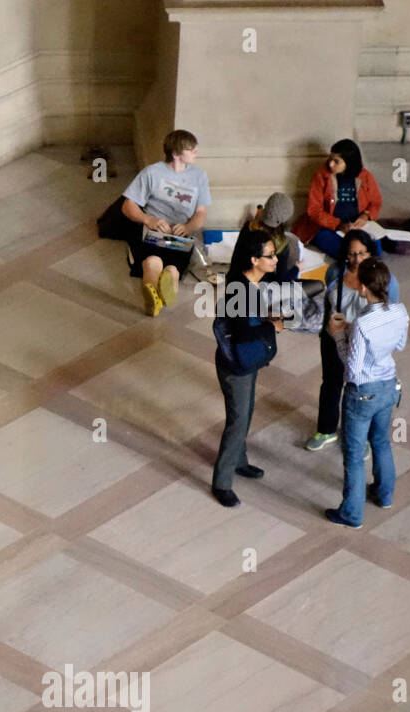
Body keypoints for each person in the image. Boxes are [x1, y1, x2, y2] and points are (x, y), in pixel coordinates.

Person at [325, 258, 408, 529]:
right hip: (388, 385)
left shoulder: (362, 323)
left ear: (362, 287)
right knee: (381, 442)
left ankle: (351, 513)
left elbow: (354, 369)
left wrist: (338, 335)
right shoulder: (400, 311)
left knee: (354, 453)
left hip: (362, 393)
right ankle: (384, 495)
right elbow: (400, 343)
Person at [304, 229, 400, 452]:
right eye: (352, 254)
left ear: (371, 253)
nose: (357, 260)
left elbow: (392, 313)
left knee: (362, 390)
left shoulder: (385, 279)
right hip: (333, 338)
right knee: (331, 383)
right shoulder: (336, 271)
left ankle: (362, 437)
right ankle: (326, 430)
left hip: (364, 344)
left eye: (362, 254)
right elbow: (329, 300)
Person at [211, 230, 285, 508]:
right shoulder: (242, 291)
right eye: (270, 256)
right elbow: (243, 334)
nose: (275, 259)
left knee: (247, 411)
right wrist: (272, 326)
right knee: (237, 420)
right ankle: (222, 482)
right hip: (236, 365)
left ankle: (240, 461)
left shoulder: (246, 281)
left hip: (246, 360)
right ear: (254, 259)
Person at [120, 129, 210, 316]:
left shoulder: (199, 176)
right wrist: (149, 219)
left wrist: (187, 227)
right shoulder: (152, 173)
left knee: (172, 269)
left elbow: (201, 214)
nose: (196, 152)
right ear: (176, 154)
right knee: (152, 261)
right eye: (191, 149)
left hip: (180, 236)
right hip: (153, 232)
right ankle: (153, 300)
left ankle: (166, 288)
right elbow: (128, 206)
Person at [291, 139, 382, 260]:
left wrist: (365, 215)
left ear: (348, 163)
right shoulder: (321, 177)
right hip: (327, 227)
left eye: (336, 162)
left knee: (376, 250)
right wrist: (338, 224)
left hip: (356, 225)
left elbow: (375, 202)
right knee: (344, 252)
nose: (330, 164)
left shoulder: (365, 176)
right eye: (330, 159)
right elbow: (314, 210)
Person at [238, 192, 299, 282]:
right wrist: (297, 268)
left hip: (238, 282)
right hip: (263, 289)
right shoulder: (281, 243)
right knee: (319, 285)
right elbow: (282, 280)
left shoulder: (248, 227)